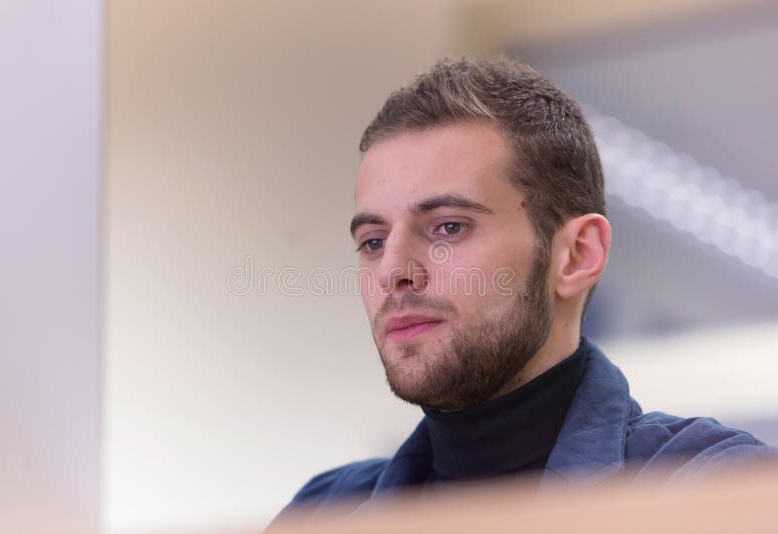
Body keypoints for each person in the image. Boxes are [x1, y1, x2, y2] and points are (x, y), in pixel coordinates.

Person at [274, 56, 776, 521]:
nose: (394, 271)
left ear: (577, 255)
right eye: (374, 240)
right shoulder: (325, 514)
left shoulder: (716, 489)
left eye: (448, 227)